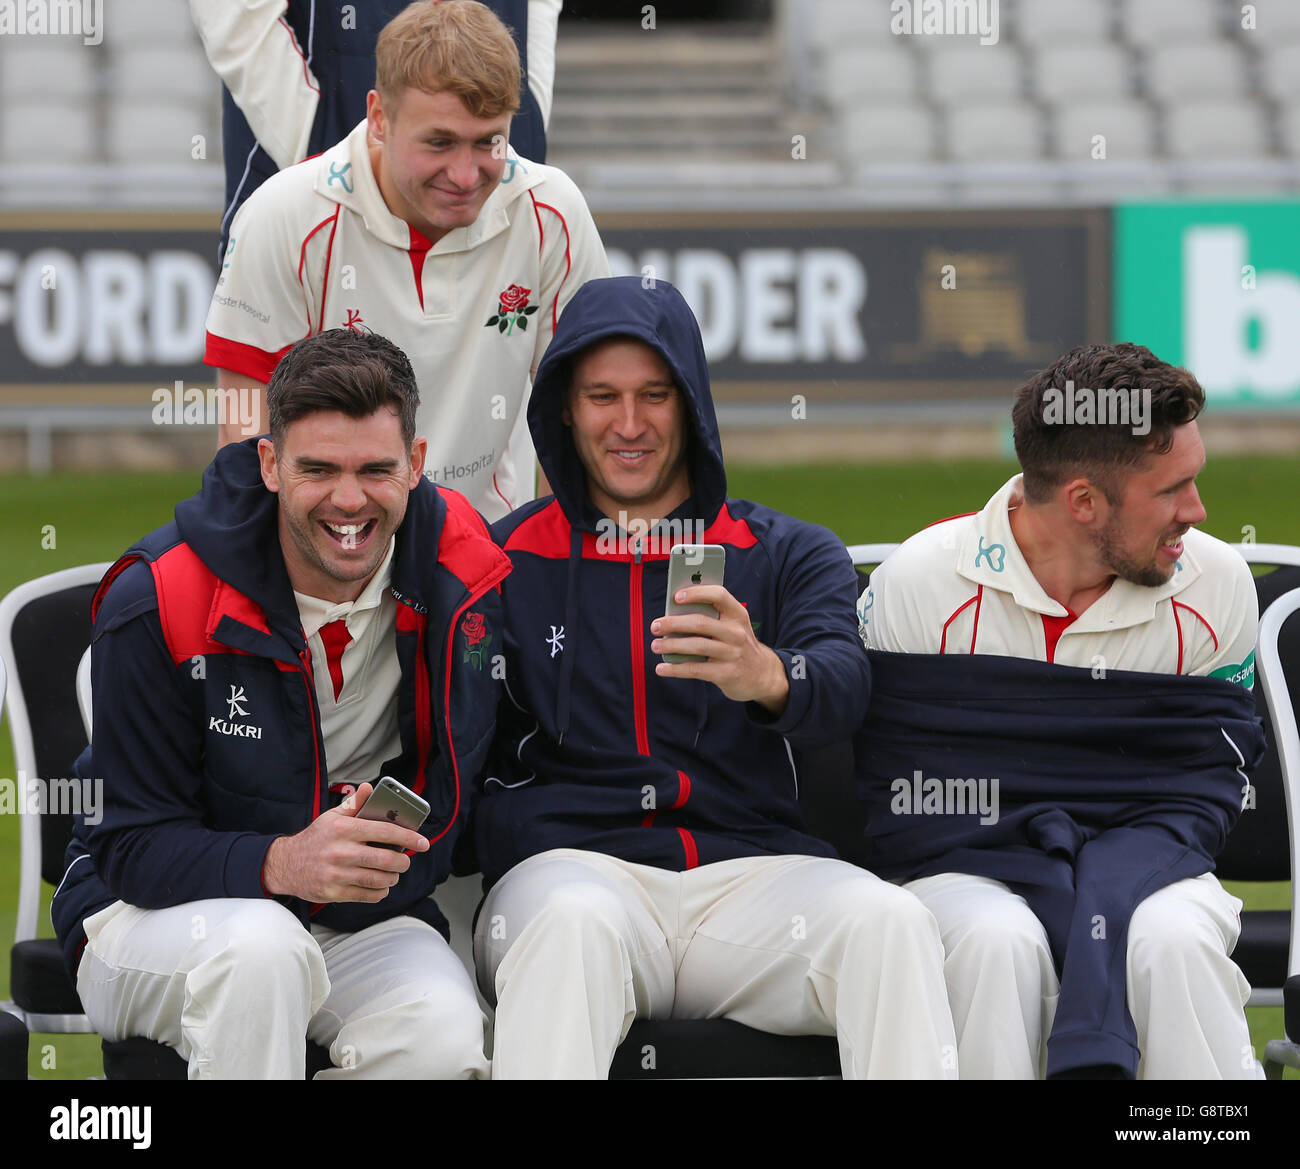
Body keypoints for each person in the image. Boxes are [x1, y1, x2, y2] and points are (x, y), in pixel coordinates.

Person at [473, 275, 957, 1079]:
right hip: (572, 875)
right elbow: (448, 741)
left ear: (691, 399)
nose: (629, 424)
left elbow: (843, 688)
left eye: (654, 395)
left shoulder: (789, 549)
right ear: (565, 405)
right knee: (569, 925)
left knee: (891, 922)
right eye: (602, 396)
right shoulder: (499, 561)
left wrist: (768, 674)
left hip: (752, 880)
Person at [51, 328, 511, 1079]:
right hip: (142, 912)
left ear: (417, 464)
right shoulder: (159, 595)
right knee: (262, 954)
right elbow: (130, 845)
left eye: (376, 469)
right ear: (269, 462)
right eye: (318, 469)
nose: (349, 499)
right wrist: (288, 861)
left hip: (355, 915)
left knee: (444, 1035)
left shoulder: (470, 575)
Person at [856, 342, 1266, 1080]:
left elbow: (1206, 781)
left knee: (1172, 939)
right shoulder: (920, 585)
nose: (1197, 512)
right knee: (993, 938)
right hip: (965, 860)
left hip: (1156, 851)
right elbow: (894, 792)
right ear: (1083, 501)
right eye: (1174, 489)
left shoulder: (1217, 585)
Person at [203, 0, 608, 520]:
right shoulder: (283, 215)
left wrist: (558, 583)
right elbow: (243, 443)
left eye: (488, 142)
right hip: (328, 564)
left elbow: (577, 419)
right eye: (439, 143)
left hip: (486, 563)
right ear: (379, 118)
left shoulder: (554, 211)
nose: (465, 175)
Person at [189, 0, 561, 261]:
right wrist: (329, 166)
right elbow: (236, 19)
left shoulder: (553, 207)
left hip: (491, 226)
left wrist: (523, 129)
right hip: (320, 211)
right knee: (318, 371)